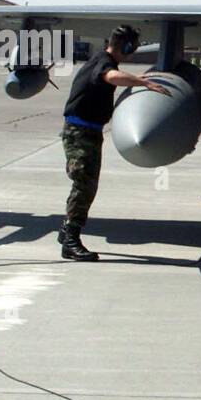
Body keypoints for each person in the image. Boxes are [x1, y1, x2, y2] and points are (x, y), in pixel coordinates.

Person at [58, 25, 170, 261]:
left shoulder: (101, 59)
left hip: (87, 131)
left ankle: (68, 230)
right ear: (128, 47)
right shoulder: (104, 62)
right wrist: (144, 83)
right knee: (84, 185)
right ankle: (70, 240)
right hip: (80, 133)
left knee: (85, 183)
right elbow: (110, 77)